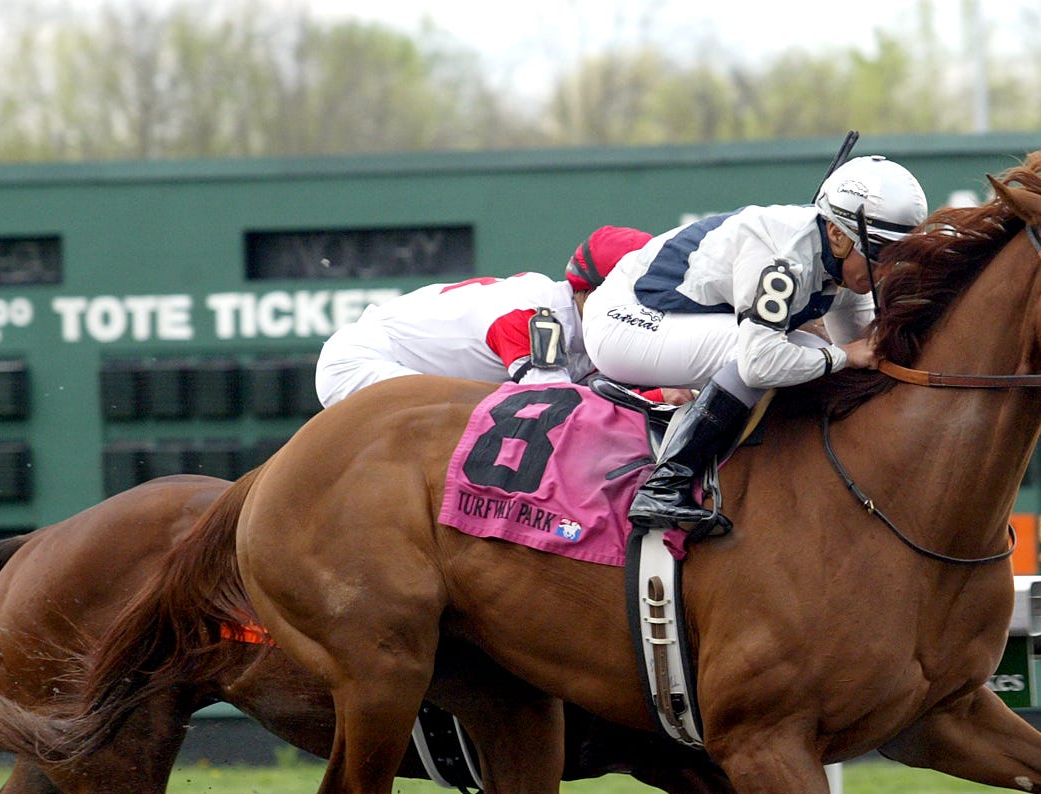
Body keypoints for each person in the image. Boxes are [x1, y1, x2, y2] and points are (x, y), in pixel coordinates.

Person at [580, 154, 929, 532]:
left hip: (682, 317)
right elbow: (759, 363)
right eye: (880, 254)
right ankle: (666, 486)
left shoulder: (842, 264)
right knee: (792, 352)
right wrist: (842, 355)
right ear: (837, 234)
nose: (888, 271)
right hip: (624, 320)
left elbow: (866, 356)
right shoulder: (783, 256)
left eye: (901, 257)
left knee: (821, 358)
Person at [314, 225, 659, 406]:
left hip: (412, 367)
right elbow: (558, 407)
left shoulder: (594, 334)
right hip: (358, 362)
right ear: (594, 291)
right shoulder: (538, 313)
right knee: (464, 421)